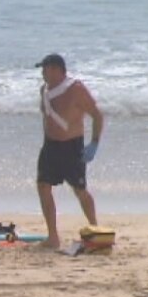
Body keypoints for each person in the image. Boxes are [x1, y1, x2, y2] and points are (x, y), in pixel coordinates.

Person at [35, 53, 105, 248]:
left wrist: (94, 143)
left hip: (71, 147)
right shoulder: (45, 90)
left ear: (57, 70)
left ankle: (95, 229)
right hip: (50, 146)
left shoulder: (76, 89)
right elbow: (46, 119)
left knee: (80, 190)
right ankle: (53, 237)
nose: (43, 73)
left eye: (45, 69)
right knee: (43, 186)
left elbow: (97, 116)